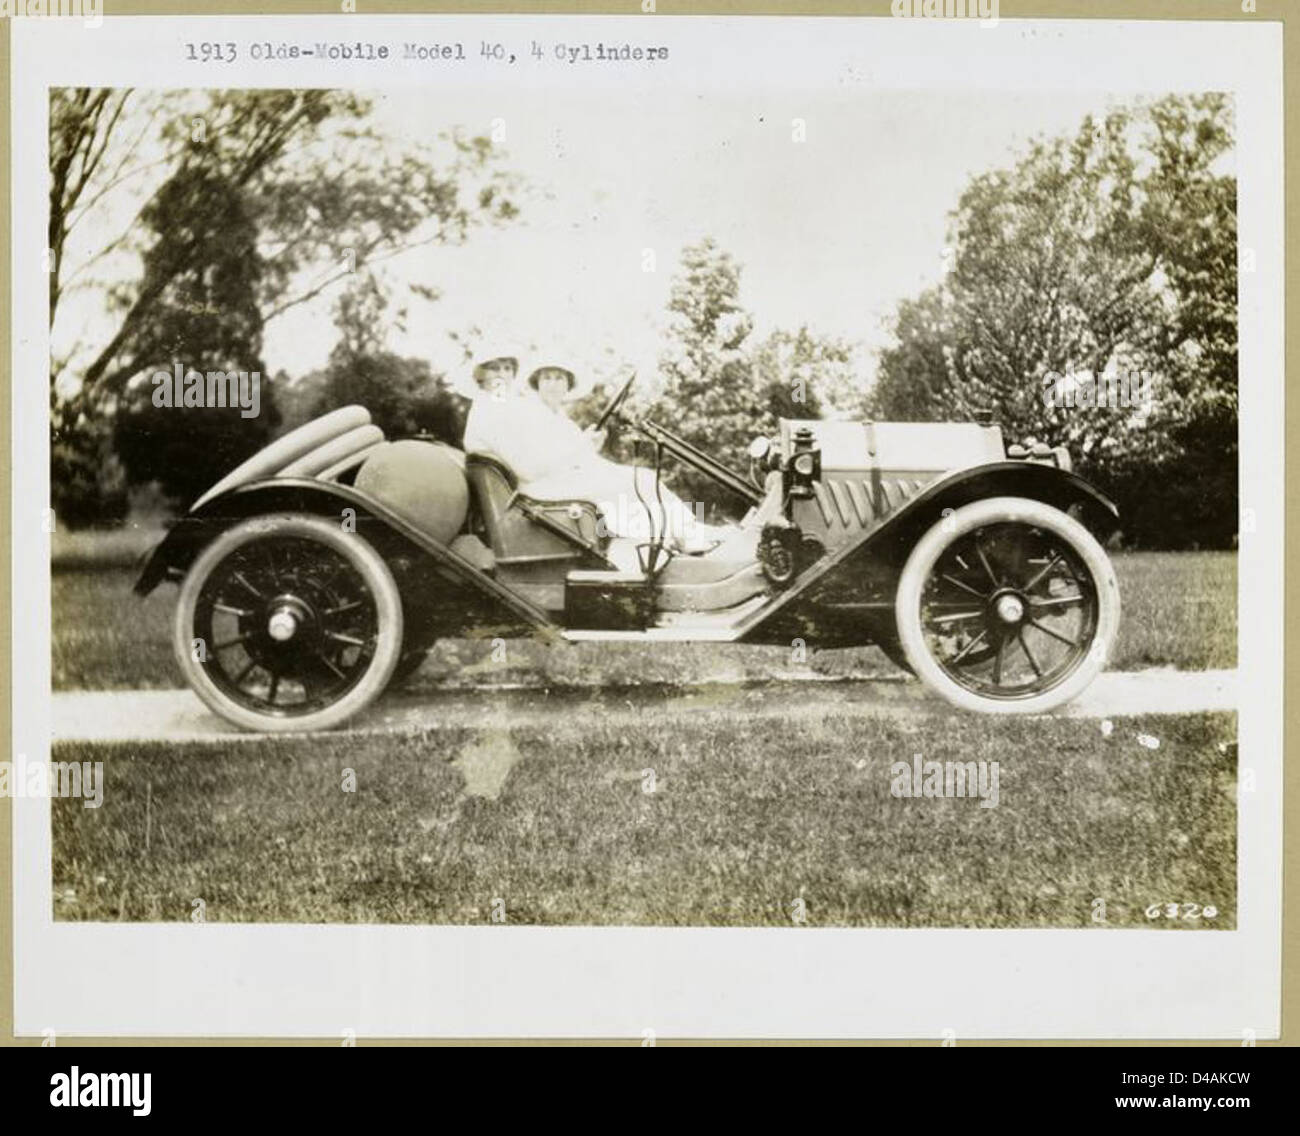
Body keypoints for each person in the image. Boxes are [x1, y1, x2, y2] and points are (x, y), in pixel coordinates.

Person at [463, 352, 724, 553]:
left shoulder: (504, 408)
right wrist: (580, 448)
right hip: (534, 492)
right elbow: (530, 467)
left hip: (546, 482)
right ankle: (685, 536)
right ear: (480, 375)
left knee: (639, 478)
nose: (502, 375)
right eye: (494, 368)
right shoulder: (493, 411)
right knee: (638, 480)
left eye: (507, 368)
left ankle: (681, 535)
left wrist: (586, 450)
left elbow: (556, 456)